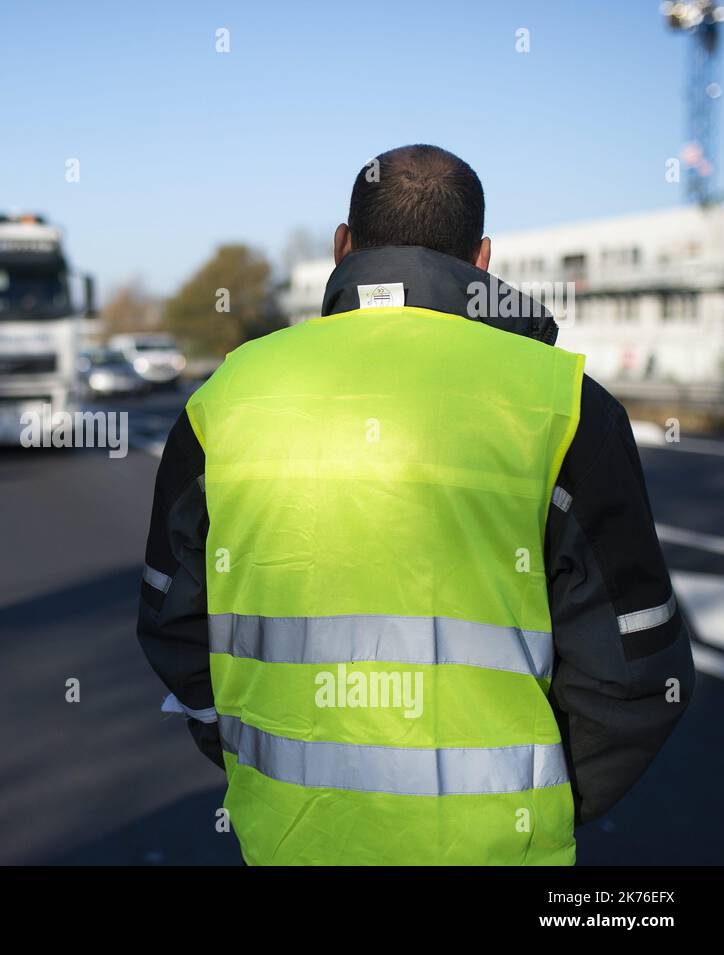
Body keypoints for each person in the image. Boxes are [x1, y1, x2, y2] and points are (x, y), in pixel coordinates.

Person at [137, 145, 696, 865]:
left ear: (343, 245)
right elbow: (638, 671)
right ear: (482, 259)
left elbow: (171, 621)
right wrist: (530, 804)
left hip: (286, 841)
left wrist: (256, 756)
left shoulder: (227, 398)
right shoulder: (565, 405)